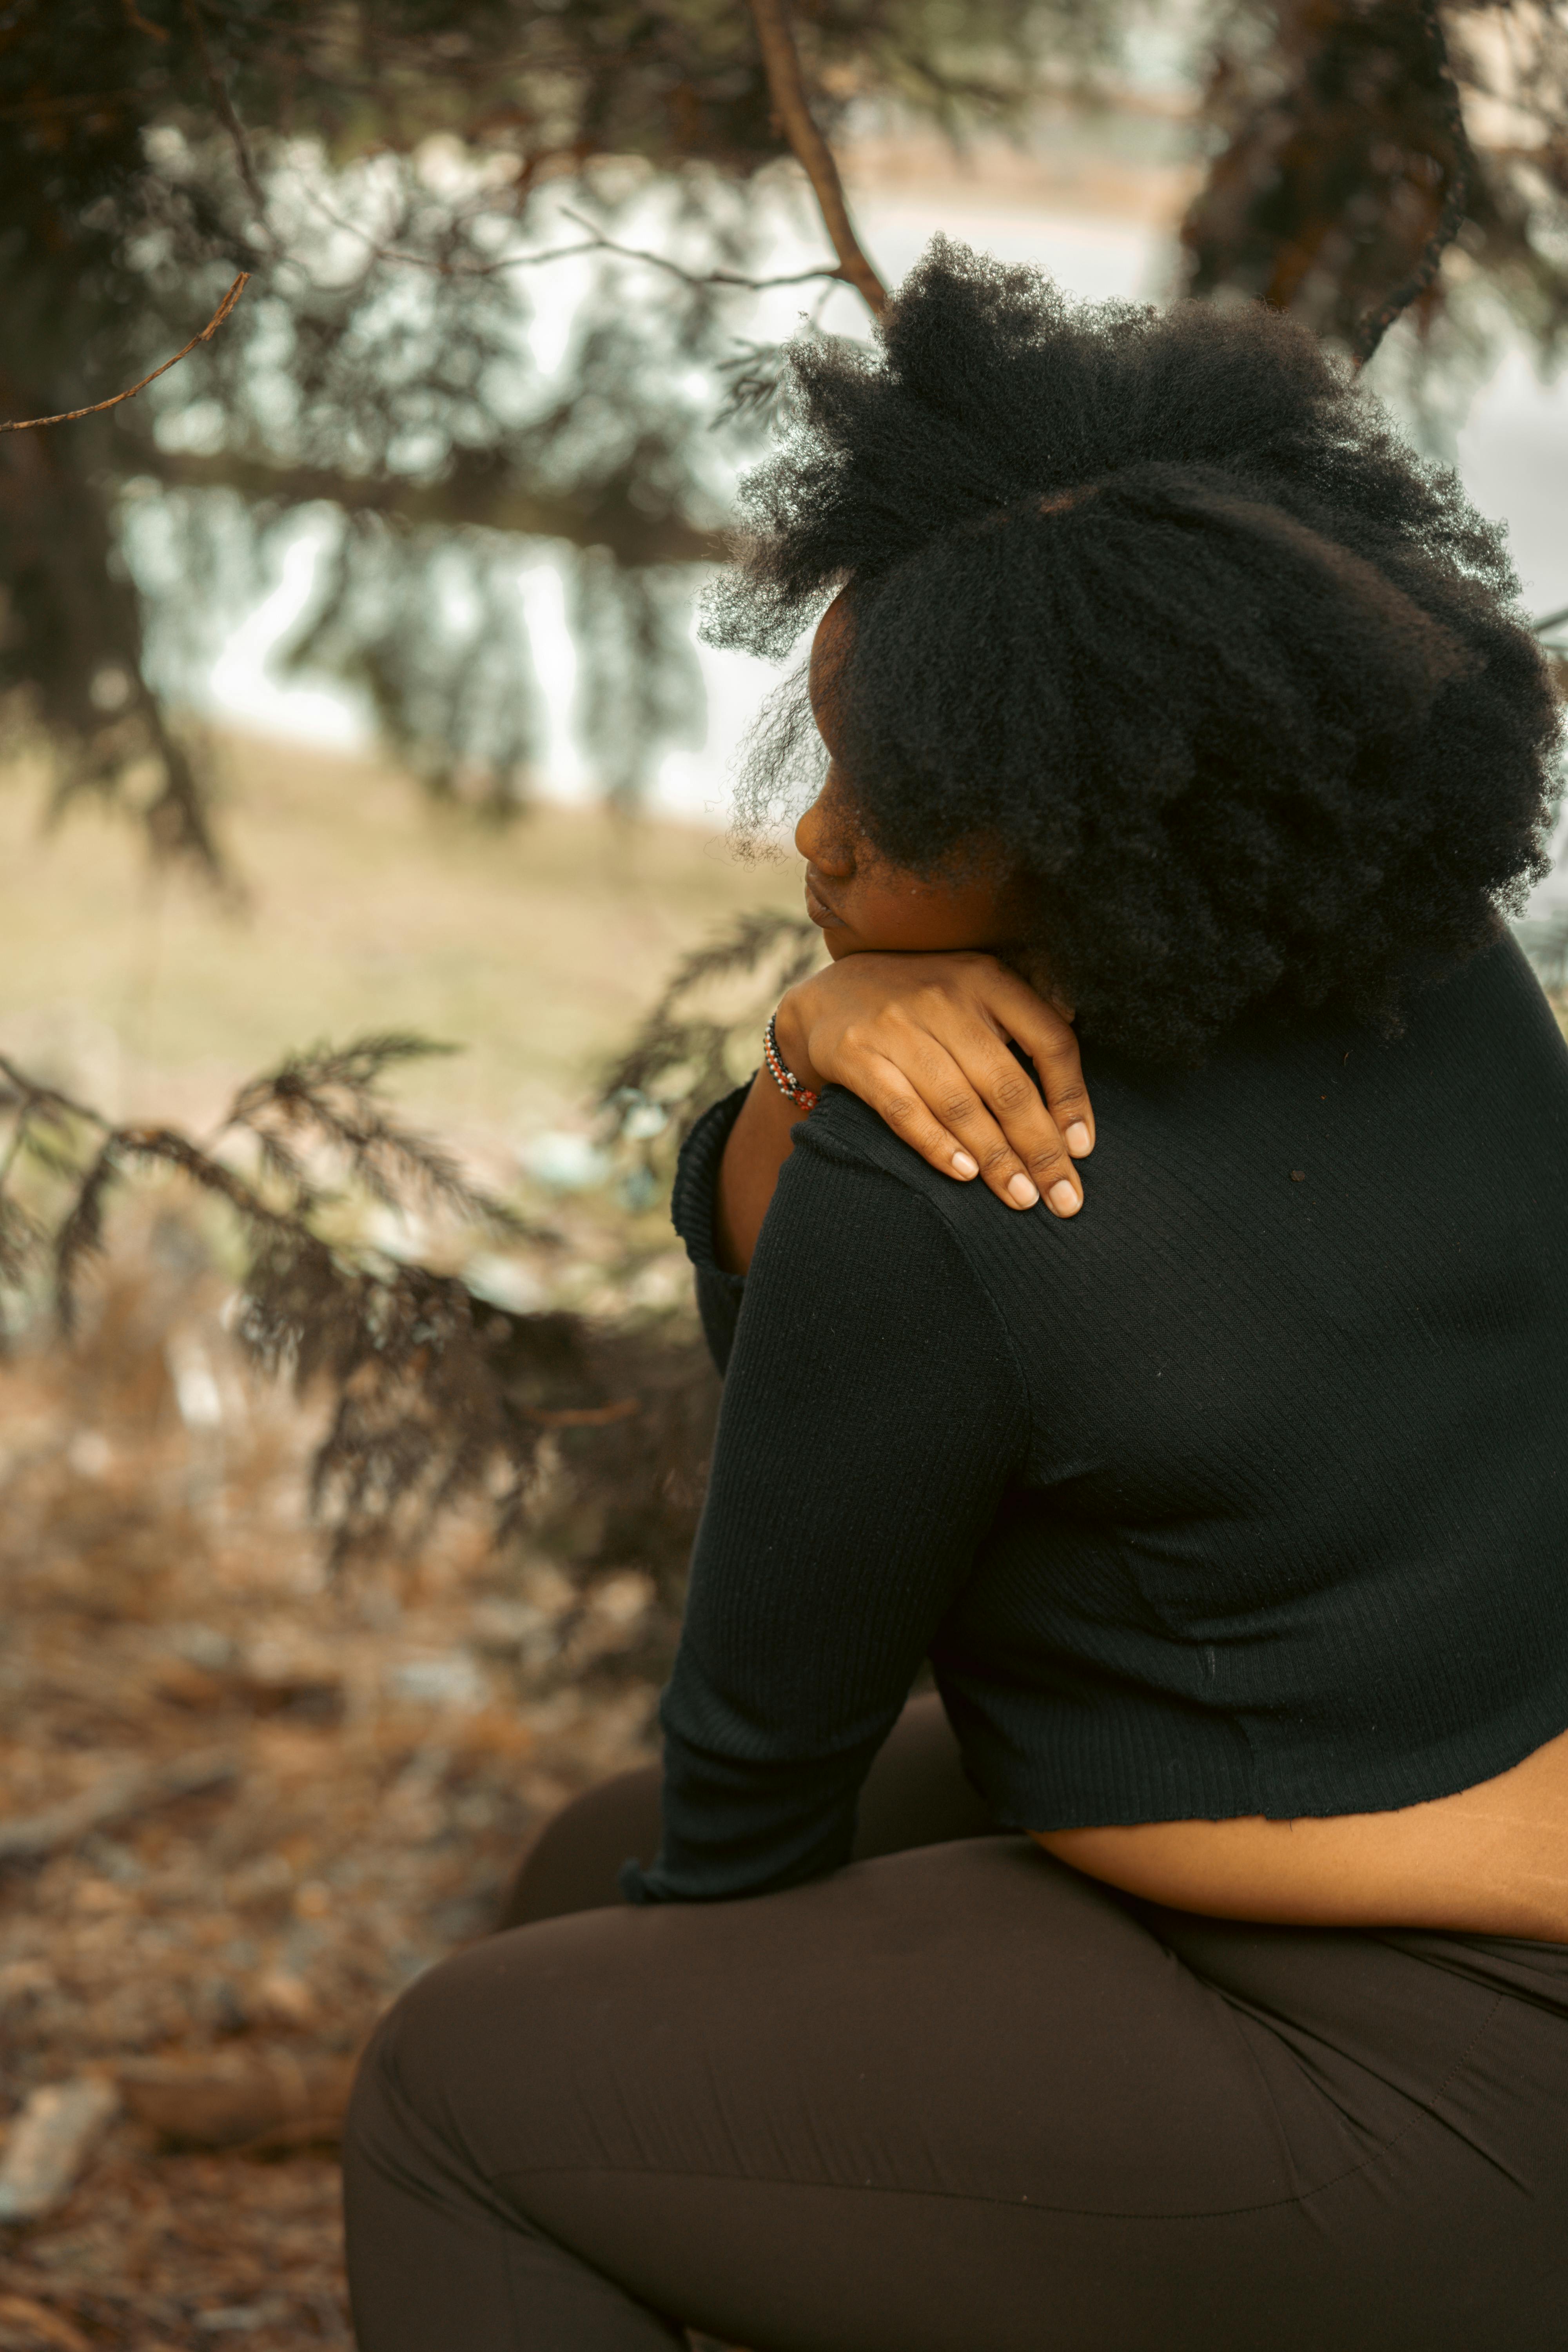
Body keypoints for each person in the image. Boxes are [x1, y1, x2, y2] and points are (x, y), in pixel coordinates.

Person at [342, 241, 1568, 2351]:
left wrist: (697, 2022)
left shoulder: (951, 1176)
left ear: (1094, 822)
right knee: (572, 1877)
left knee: (465, 2085)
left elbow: (757, 1781)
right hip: (1452, 1887)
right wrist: (818, 1043)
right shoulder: (1441, 972)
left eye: (894, 800)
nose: (816, 836)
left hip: (1434, 2101)